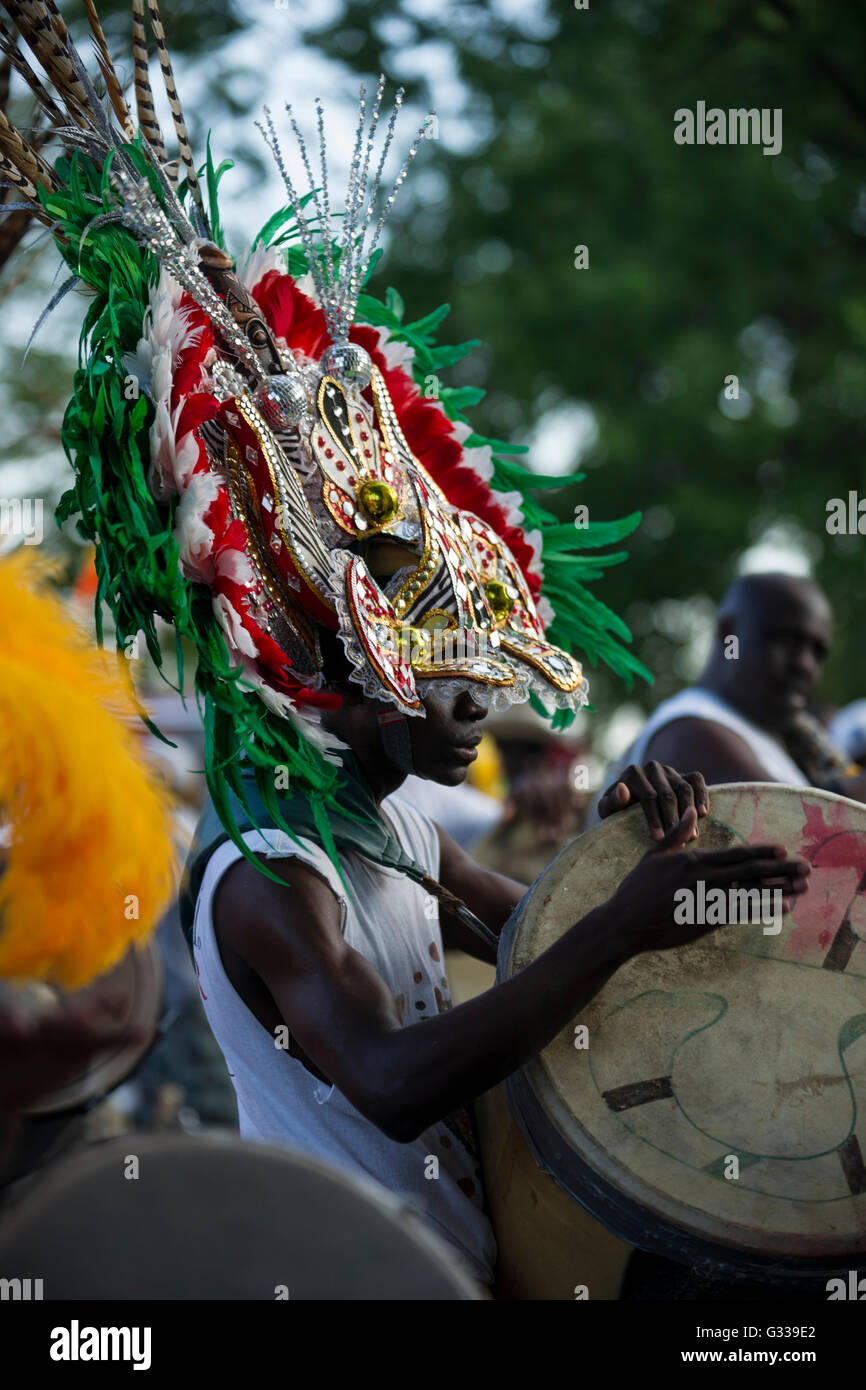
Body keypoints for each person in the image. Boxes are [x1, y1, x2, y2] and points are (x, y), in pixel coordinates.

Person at [0, 7, 809, 1294]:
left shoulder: (401, 834)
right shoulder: (271, 870)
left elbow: (548, 933)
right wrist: (620, 928)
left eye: (480, 651)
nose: (477, 691)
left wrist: (641, 850)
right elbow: (385, 1081)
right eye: (440, 663)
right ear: (330, 665)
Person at [593, 572, 866, 815]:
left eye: (818, 652)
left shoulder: (768, 734)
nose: (805, 665)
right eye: (786, 640)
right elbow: (815, 835)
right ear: (728, 634)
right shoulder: (693, 731)